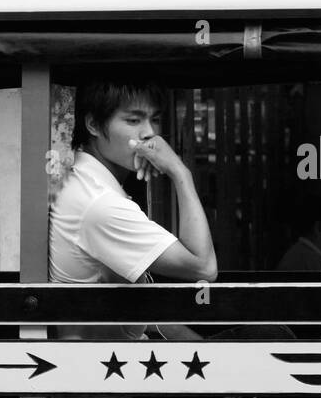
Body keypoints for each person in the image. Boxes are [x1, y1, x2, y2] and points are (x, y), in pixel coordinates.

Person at [49, 82, 217, 344]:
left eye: (155, 119)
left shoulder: (86, 178)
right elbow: (204, 267)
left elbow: (150, 320)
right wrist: (179, 172)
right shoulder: (100, 204)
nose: (150, 133)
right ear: (93, 125)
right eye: (133, 120)